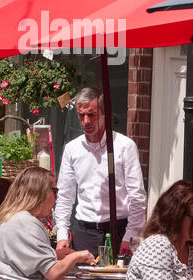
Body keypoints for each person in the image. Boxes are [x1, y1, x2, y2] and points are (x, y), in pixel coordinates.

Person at [53, 87, 146, 258]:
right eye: (81, 115)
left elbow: (137, 195)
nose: (86, 121)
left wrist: (130, 235)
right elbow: (65, 195)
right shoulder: (72, 149)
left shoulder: (124, 146)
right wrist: (62, 234)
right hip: (85, 231)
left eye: (92, 114)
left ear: (104, 114)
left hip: (119, 228)